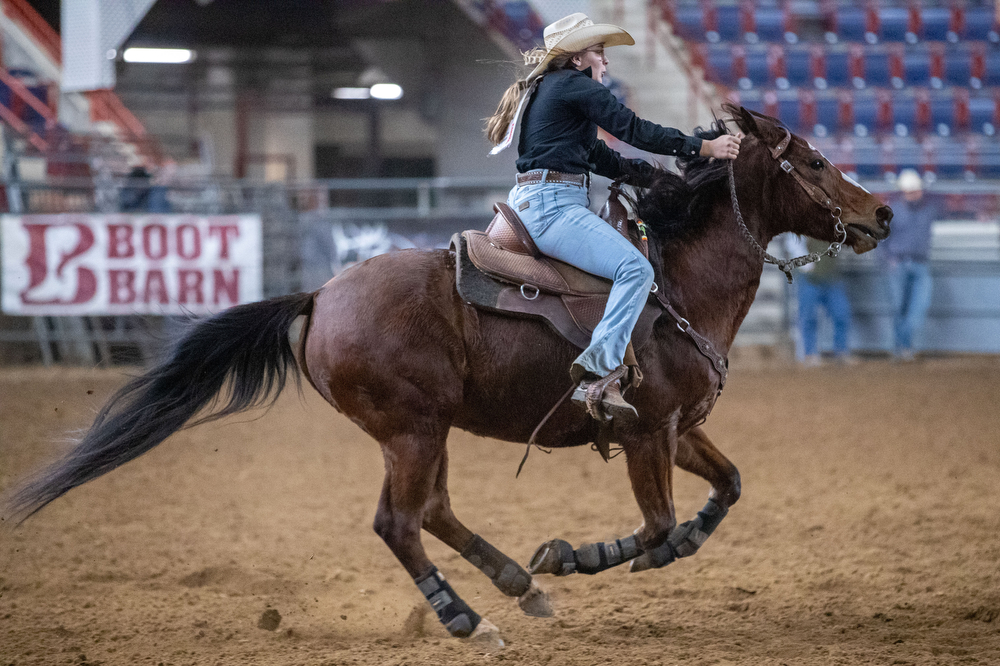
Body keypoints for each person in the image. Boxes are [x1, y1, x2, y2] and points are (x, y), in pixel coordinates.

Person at [485, 12, 741, 423]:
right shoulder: (574, 86)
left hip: (533, 201)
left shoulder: (551, 90)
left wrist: (657, 177)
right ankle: (600, 371)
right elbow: (633, 129)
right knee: (635, 270)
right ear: (576, 59)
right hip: (554, 207)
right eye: (599, 52)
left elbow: (600, 157)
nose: (606, 61)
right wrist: (702, 149)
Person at [882, 169, 936, 361]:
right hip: (900, 264)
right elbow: (881, 240)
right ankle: (903, 349)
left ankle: (903, 346)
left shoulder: (928, 210)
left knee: (919, 307)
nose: (914, 194)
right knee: (899, 307)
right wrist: (889, 260)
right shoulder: (893, 212)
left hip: (920, 263)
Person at [785, 235, 855, 366]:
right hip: (810, 278)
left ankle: (841, 352)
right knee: (808, 317)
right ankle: (810, 354)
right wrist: (807, 266)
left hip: (831, 275)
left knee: (841, 313)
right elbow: (793, 244)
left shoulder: (834, 220)